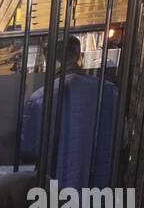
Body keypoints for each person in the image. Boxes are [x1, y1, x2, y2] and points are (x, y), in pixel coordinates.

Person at [19, 35, 118, 191]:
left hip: (54, 191)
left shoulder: (40, 98)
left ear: (51, 61)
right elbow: (123, 140)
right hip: (99, 188)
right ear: (79, 57)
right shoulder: (109, 92)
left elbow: (28, 150)